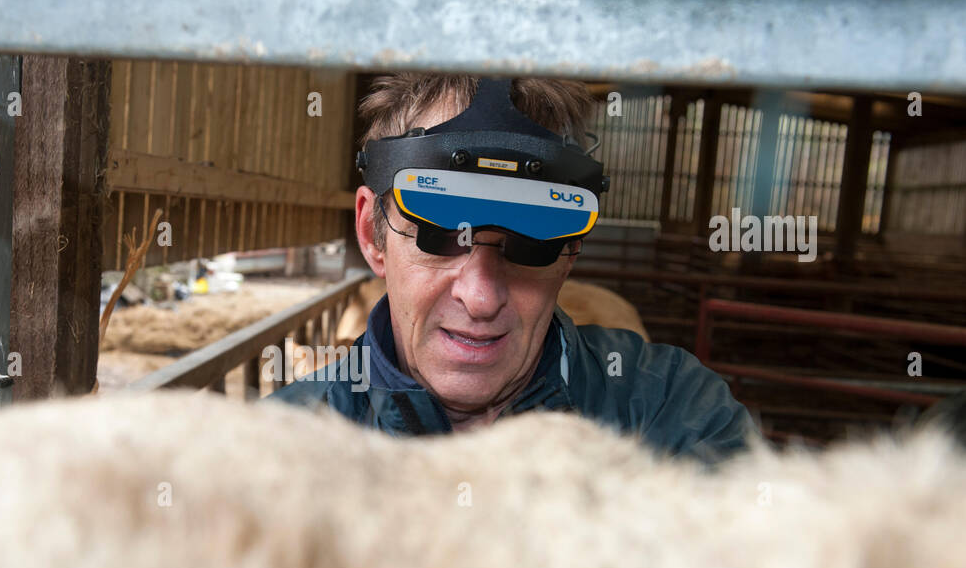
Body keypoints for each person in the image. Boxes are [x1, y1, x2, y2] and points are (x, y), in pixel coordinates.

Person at [268, 73, 757, 464]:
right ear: (373, 234)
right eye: (439, 234)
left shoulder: (671, 412)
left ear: (571, 253)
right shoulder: (281, 450)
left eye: (530, 244)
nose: (481, 298)